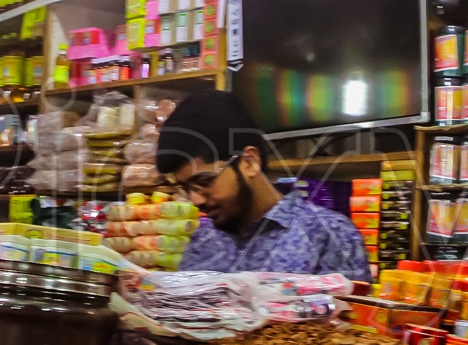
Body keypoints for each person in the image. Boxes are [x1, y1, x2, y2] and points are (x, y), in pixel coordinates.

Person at [154, 90, 370, 282]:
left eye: (204, 182)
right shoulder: (204, 238)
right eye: (186, 189)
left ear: (249, 162)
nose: (196, 200)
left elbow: (354, 315)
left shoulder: (332, 236)